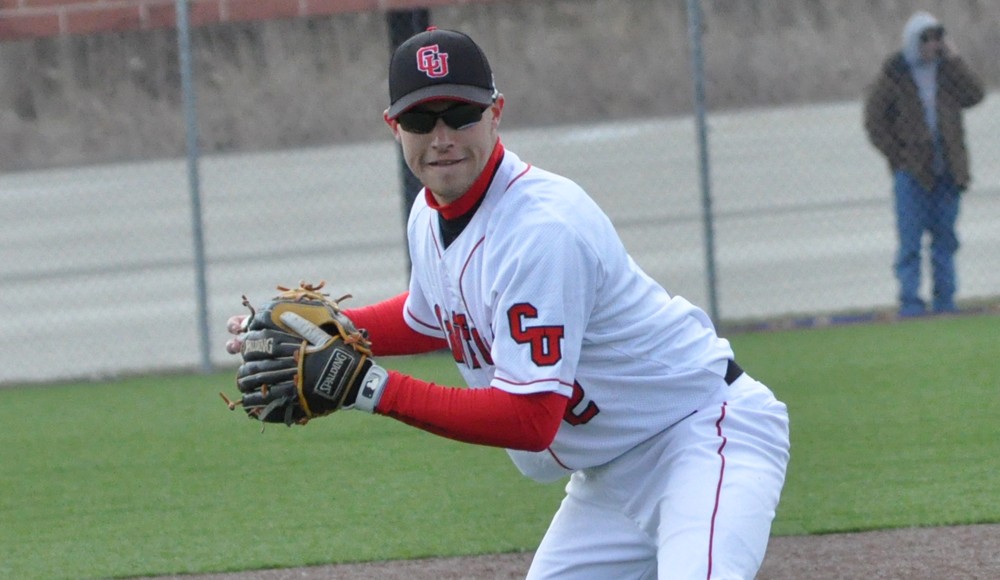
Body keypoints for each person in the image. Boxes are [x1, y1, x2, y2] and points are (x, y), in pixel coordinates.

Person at [228, 27, 790, 579]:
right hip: (612, 473)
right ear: (393, 127)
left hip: (699, 437)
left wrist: (367, 387)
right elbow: (432, 319)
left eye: (461, 115)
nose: (442, 137)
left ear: (496, 112)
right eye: (422, 120)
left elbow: (529, 420)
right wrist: (327, 330)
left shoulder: (543, 229)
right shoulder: (429, 215)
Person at [863, 11, 984, 317]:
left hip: (948, 171)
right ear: (913, 41)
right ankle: (910, 303)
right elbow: (874, 121)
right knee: (910, 243)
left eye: (937, 38)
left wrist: (955, 59)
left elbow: (975, 94)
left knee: (945, 241)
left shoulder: (947, 72)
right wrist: (899, 156)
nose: (932, 45)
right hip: (912, 174)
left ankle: (945, 301)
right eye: (926, 39)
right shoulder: (895, 74)